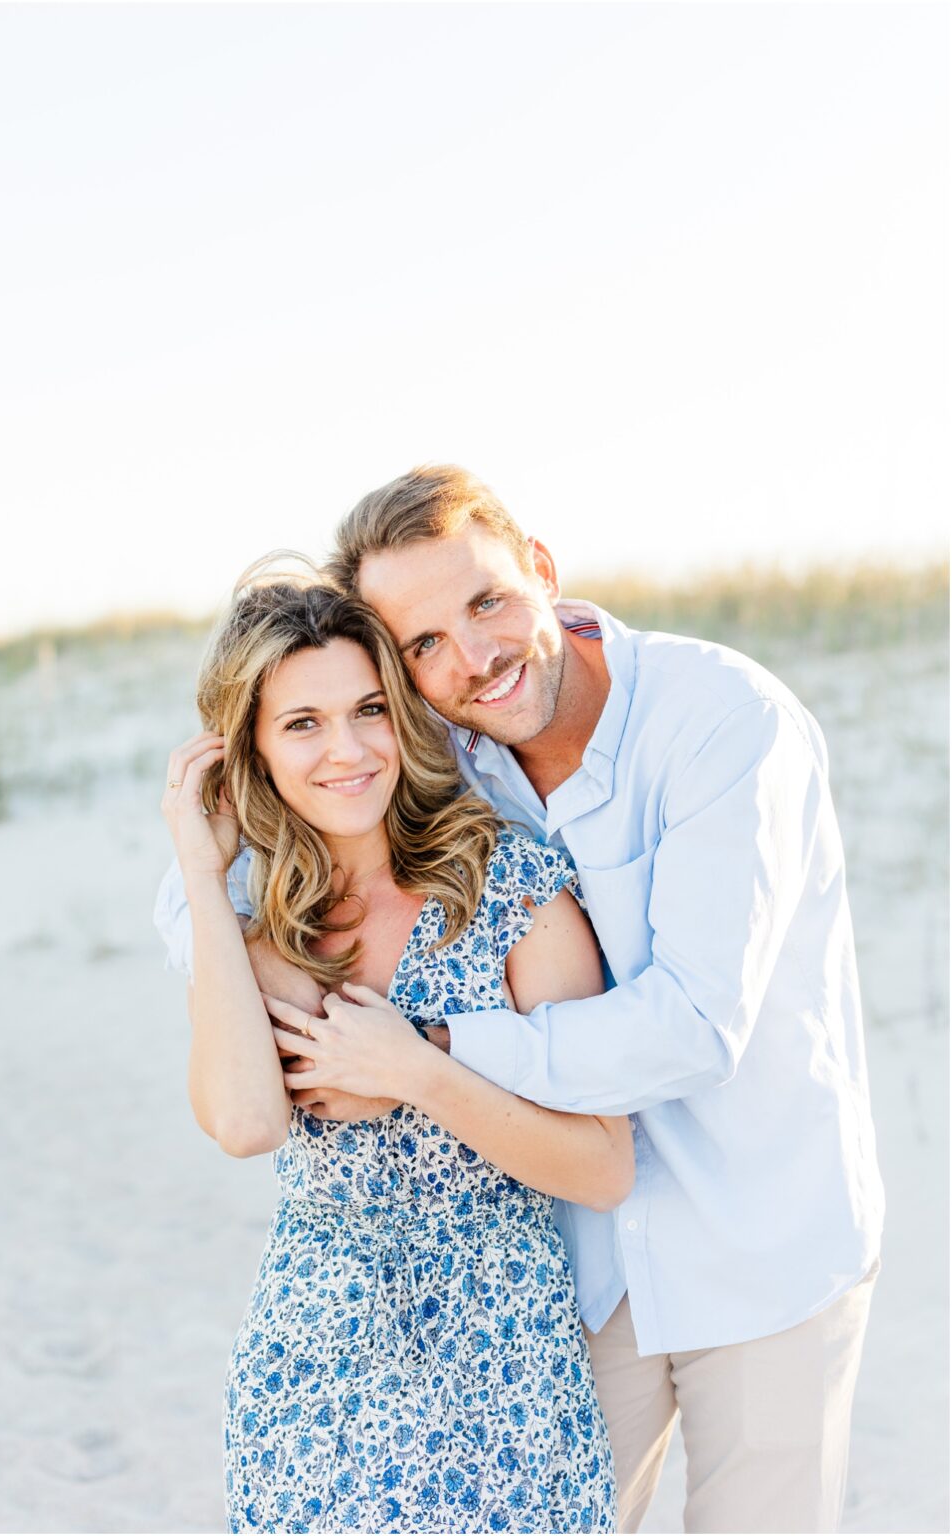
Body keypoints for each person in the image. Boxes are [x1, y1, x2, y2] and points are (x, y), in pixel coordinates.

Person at [157, 466, 886, 1535]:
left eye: (487, 602)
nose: (472, 658)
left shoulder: (719, 724)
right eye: (422, 644)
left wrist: (419, 1054)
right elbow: (226, 878)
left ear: (539, 571)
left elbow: (692, 1030)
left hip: (754, 1235)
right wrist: (247, 948)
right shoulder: (441, 740)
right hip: (577, 1273)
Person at [158, 562, 631, 1534]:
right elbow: (245, 1124)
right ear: (250, 746)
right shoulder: (264, 938)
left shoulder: (505, 885)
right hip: (313, 1377)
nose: (347, 750)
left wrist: (416, 1071)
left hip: (500, 1369)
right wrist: (204, 877)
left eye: (369, 709)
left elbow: (602, 1164)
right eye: (302, 723)